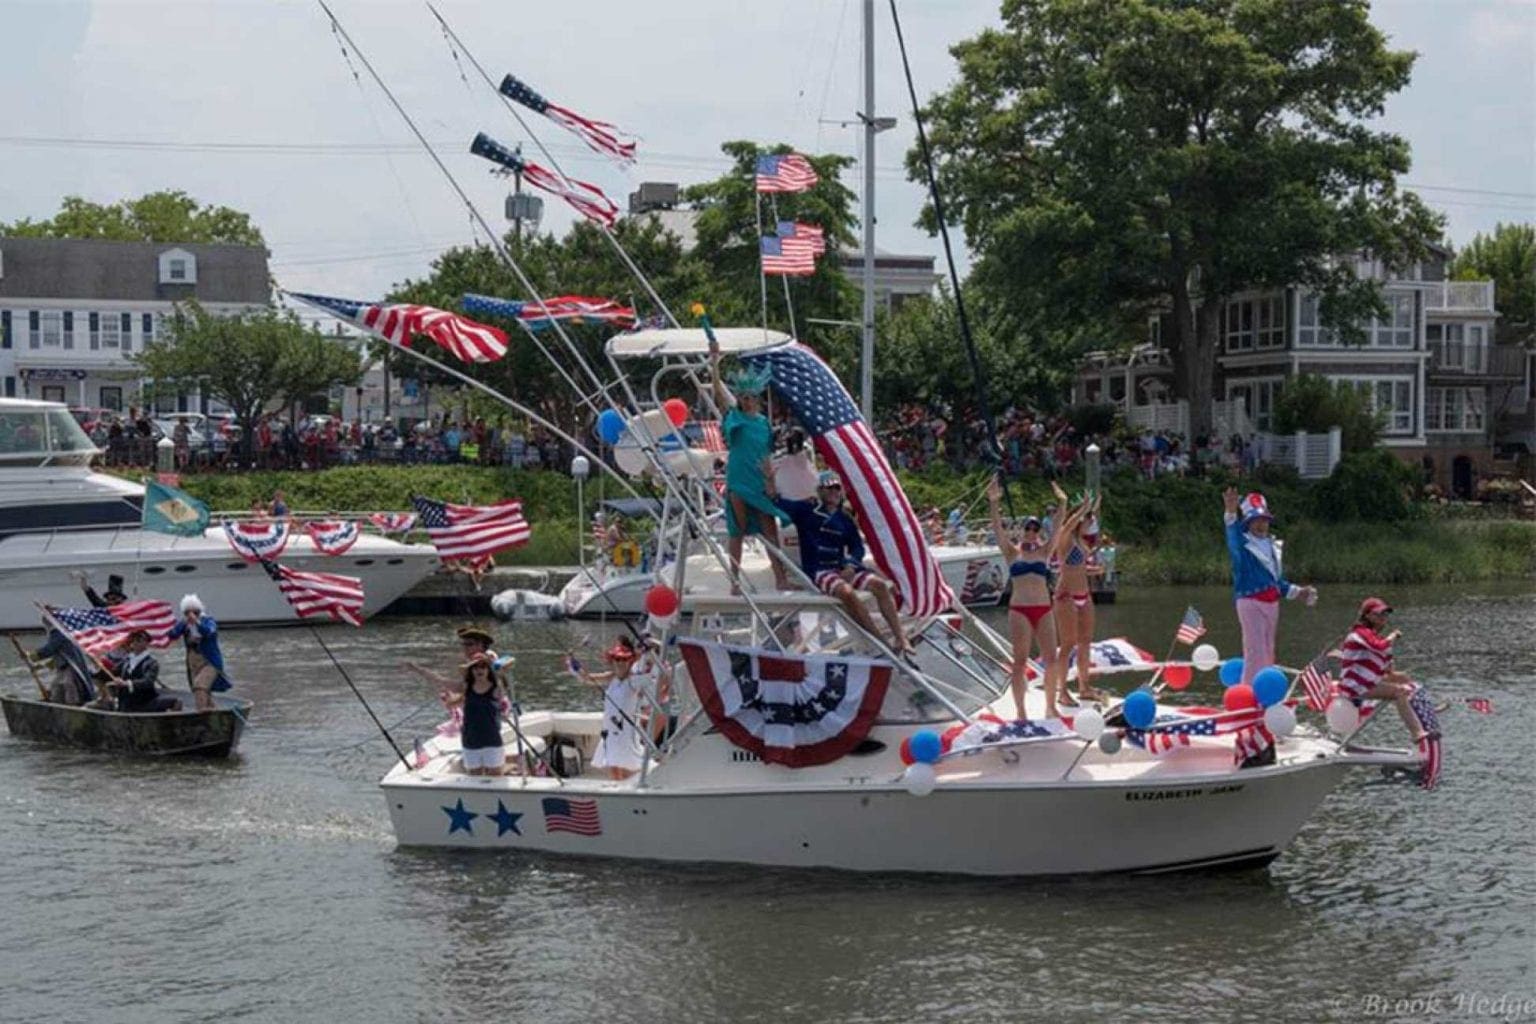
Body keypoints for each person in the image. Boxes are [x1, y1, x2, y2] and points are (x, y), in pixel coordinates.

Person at [773, 470, 913, 654]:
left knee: (880, 585)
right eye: (828, 488)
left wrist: (851, 565)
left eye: (836, 488)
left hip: (841, 566)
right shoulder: (806, 510)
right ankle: (879, 640)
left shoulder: (845, 519)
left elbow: (857, 548)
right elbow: (777, 502)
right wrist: (769, 479)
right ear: (820, 491)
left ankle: (900, 637)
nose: (833, 492)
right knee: (846, 592)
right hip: (819, 569)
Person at [987, 477, 1088, 719]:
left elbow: (1059, 527)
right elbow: (997, 529)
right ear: (1022, 530)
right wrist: (993, 502)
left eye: (1035, 529)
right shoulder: (1012, 552)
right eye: (1028, 528)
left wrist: (1064, 502)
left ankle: (1050, 706)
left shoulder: (1045, 551)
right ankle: (1021, 711)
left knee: (1052, 659)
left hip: (1043, 608)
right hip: (1019, 609)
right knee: (1020, 662)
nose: (1031, 533)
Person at [705, 348, 791, 591]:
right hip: (738, 479)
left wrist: (770, 481)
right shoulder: (733, 416)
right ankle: (734, 580)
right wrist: (714, 362)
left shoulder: (763, 423)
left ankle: (781, 578)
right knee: (737, 530)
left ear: (758, 397)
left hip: (758, 480)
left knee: (769, 529)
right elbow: (719, 392)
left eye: (751, 396)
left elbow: (766, 455)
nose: (747, 400)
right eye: (743, 396)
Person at [1222, 488, 1317, 686]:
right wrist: (1231, 513)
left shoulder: (1271, 546)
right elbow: (1232, 535)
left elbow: (1276, 582)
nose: (1261, 524)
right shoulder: (1243, 544)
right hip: (1250, 601)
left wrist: (1299, 592)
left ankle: (1264, 691)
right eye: (1256, 520)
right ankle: (1249, 691)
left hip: (1272, 604)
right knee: (1255, 649)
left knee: (1267, 650)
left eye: (1264, 519)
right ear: (1247, 522)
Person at [1337, 598, 1426, 742]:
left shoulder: (1371, 634)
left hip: (1366, 680)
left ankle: (1422, 710)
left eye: (1385, 614)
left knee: (1403, 678)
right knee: (1399, 691)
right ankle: (1417, 733)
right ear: (1367, 616)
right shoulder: (1360, 632)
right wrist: (1393, 636)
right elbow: (1379, 646)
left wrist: (1392, 669)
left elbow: (1387, 668)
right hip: (1354, 686)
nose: (1383, 618)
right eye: (1378, 614)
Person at [1049, 483, 1106, 703]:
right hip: (1066, 596)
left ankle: (1084, 687)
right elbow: (1067, 525)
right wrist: (1082, 510)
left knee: (1085, 642)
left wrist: (1094, 570)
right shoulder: (1066, 538)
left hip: (1084, 595)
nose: (1090, 524)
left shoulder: (1082, 542)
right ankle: (1062, 691)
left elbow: (1078, 568)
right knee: (1067, 644)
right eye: (1087, 521)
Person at [571, 636, 652, 780]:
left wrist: (648, 651)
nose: (620, 663)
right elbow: (586, 678)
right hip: (610, 729)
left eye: (624, 659)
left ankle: (635, 790)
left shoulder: (633, 680)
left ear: (630, 661)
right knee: (612, 765)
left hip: (626, 730)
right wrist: (574, 665)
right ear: (612, 661)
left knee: (630, 766)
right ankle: (618, 789)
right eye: (617, 659)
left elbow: (651, 677)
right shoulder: (611, 677)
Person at [438, 653, 507, 776]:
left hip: (492, 740)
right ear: (471, 671)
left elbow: (503, 684)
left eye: (483, 666)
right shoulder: (466, 688)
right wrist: (418, 670)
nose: (479, 670)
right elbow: (443, 687)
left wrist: (499, 671)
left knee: (496, 776)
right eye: (475, 667)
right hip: (471, 741)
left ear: (488, 670)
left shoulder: (496, 688)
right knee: (474, 776)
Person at [166, 594, 230, 711]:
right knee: (200, 691)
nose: (190, 615)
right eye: (187, 613)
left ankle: (201, 713)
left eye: (194, 612)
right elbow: (173, 634)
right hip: (193, 660)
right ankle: (211, 711)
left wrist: (197, 622)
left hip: (209, 661)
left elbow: (209, 632)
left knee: (200, 685)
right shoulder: (185, 624)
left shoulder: (208, 621)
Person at [100, 630, 182, 713]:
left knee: (177, 701)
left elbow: (148, 681)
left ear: (146, 643)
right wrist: (100, 665)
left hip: (146, 701)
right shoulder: (126, 661)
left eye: (139, 640)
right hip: (126, 702)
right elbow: (113, 673)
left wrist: (128, 683)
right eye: (133, 639)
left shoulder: (151, 663)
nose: (135, 642)